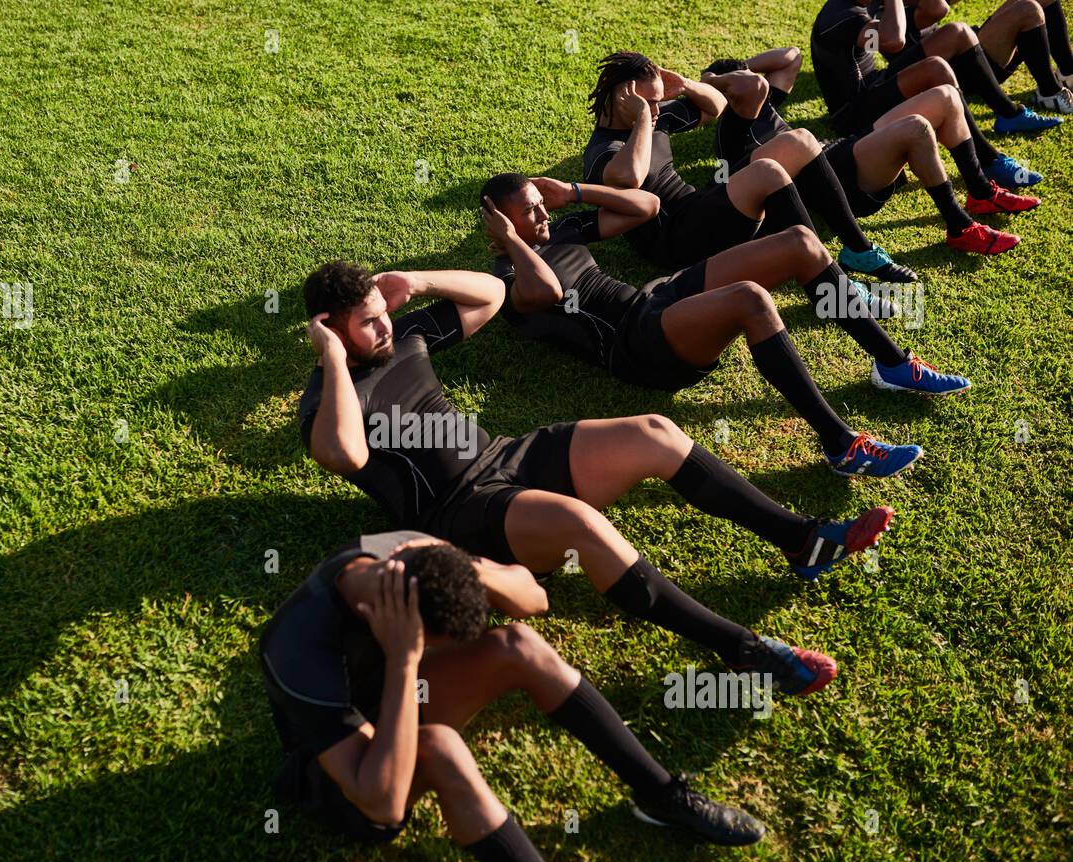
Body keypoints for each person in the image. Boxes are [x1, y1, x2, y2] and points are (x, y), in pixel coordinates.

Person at [297, 260, 892, 700]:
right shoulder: (329, 400)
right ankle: (744, 650)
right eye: (368, 323)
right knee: (582, 524)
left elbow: (494, 294)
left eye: (382, 315)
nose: (383, 327)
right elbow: (346, 455)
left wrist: (417, 283)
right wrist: (331, 358)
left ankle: (801, 538)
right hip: (463, 513)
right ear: (328, 327)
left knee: (653, 432)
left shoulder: (405, 336)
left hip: (508, 459)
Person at [259, 532, 769, 862]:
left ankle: (660, 795)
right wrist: (404, 661)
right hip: (342, 773)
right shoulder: (298, 648)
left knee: (520, 645)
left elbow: (535, 601)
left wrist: (467, 568)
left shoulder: (397, 553)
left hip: (392, 691)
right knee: (439, 748)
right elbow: (382, 804)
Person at [478, 172, 969, 466]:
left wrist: (573, 190)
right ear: (499, 223)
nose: (542, 215)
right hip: (637, 345)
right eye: (530, 211)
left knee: (800, 241)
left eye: (541, 205)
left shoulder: (562, 230)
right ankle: (840, 443)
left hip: (655, 300)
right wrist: (514, 242)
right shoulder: (505, 280)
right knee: (751, 300)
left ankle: (893, 364)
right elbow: (549, 290)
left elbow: (647, 207)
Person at [581, 52, 913, 296]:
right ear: (623, 99)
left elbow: (717, 106)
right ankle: (833, 286)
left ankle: (857, 250)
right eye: (648, 103)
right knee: (767, 171)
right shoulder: (604, 150)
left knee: (799, 141)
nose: (656, 110)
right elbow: (629, 178)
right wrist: (642, 117)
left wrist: (682, 85)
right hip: (674, 239)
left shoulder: (655, 119)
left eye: (657, 102)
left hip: (698, 209)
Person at [702, 53, 1036, 253]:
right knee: (917, 127)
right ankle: (959, 227)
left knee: (945, 96)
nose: (754, 82)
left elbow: (790, 56)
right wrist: (709, 82)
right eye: (742, 81)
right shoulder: (731, 132)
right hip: (835, 178)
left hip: (843, 150)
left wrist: (743, 66)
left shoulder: (765, 101)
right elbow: (733, 188)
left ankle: (980, 191)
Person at [810, 0, 1061, 169]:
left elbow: (935, 9)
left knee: (957, 33)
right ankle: (987, 159)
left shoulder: (859, 5)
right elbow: (893, 41)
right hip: (854, 115)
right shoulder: (840, 17)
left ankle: (1008, 114)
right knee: (936, 67)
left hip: (873, 87)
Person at [888, 0, 1073, 112]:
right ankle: (1049, 92)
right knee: (1028, 10)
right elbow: (937, 8)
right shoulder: (889, 17)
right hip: (961, 68)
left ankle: (1068, 73)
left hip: (967, 47)